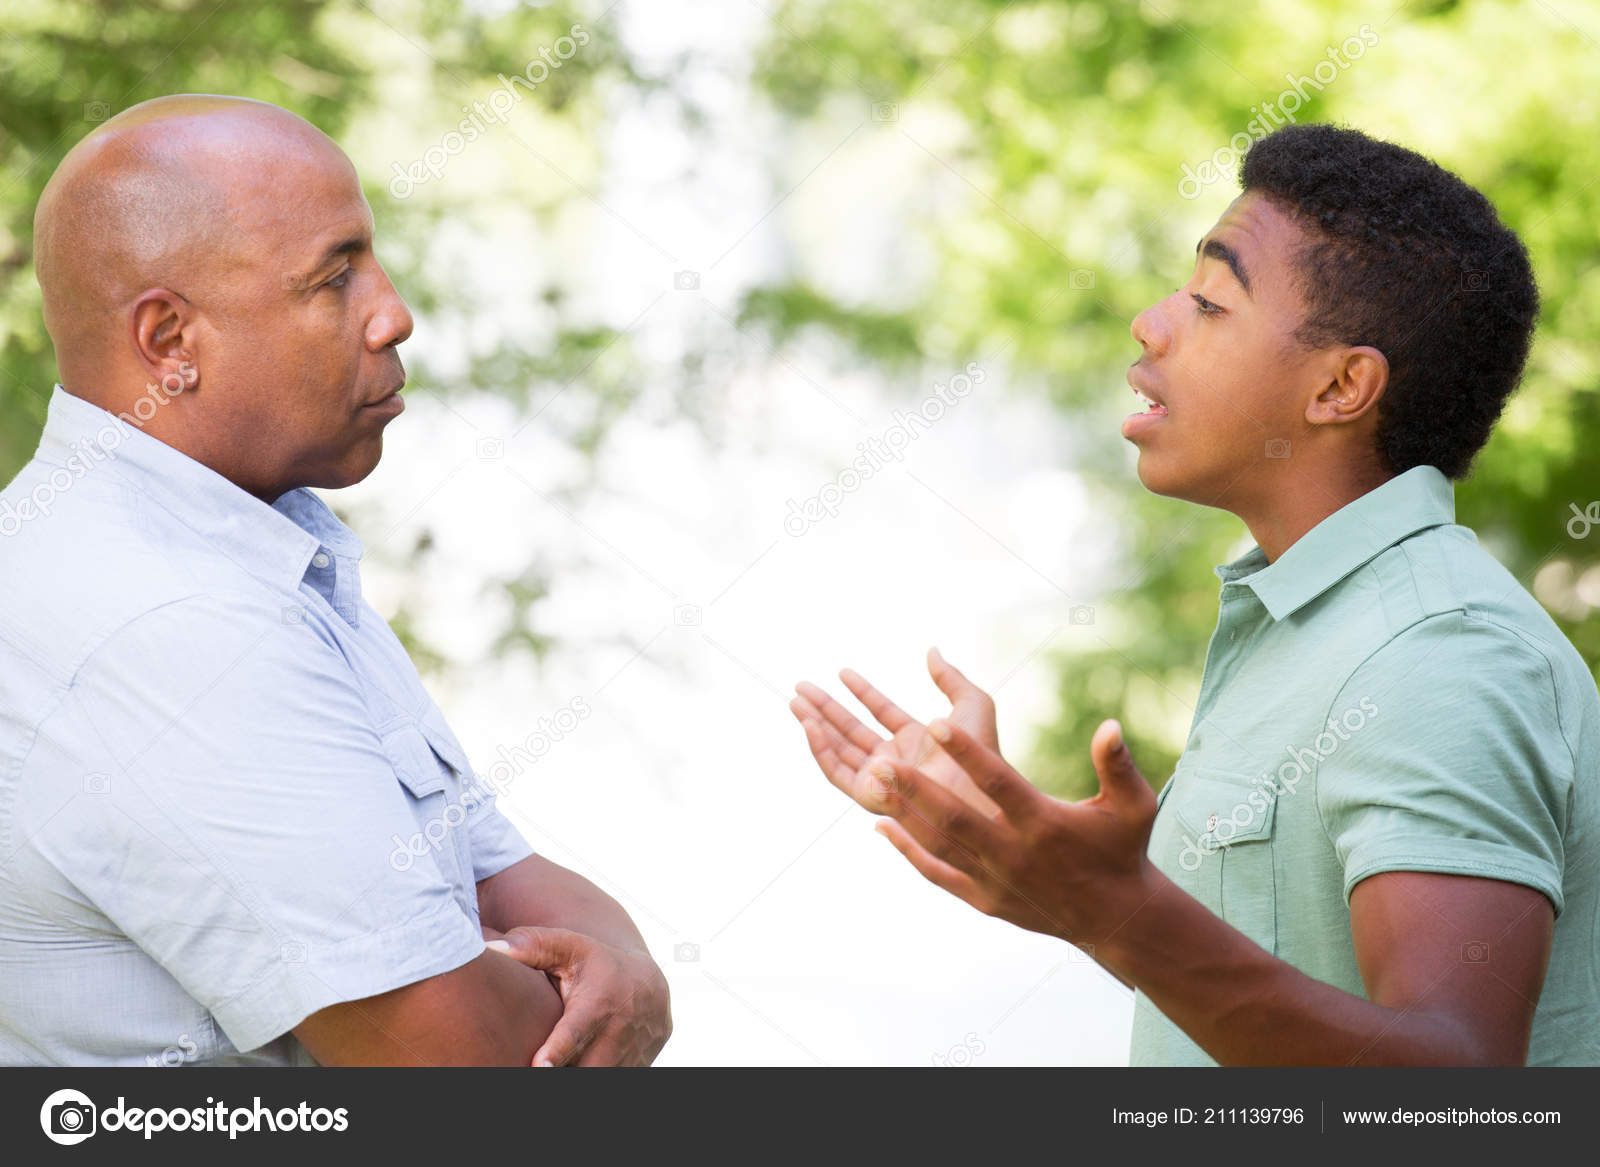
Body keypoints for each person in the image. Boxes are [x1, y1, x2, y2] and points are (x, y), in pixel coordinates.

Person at [791, 123, 1599, 1066]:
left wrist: (1120, 914)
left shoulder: (1441, 654)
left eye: (1212, 301)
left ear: (1341, 385)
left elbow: (1454, 1089)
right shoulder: (1305, 622)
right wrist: (1044, 873)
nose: (1151, 322)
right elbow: (1264, 990)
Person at [0, 95, 669, 1066]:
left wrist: (624, 971)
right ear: (170, 343)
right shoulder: (169, 620)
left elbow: (507, 879)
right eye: (334, 277)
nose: (393, 314)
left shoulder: (248, 543)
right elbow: (472, 1064)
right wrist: (614, 987)